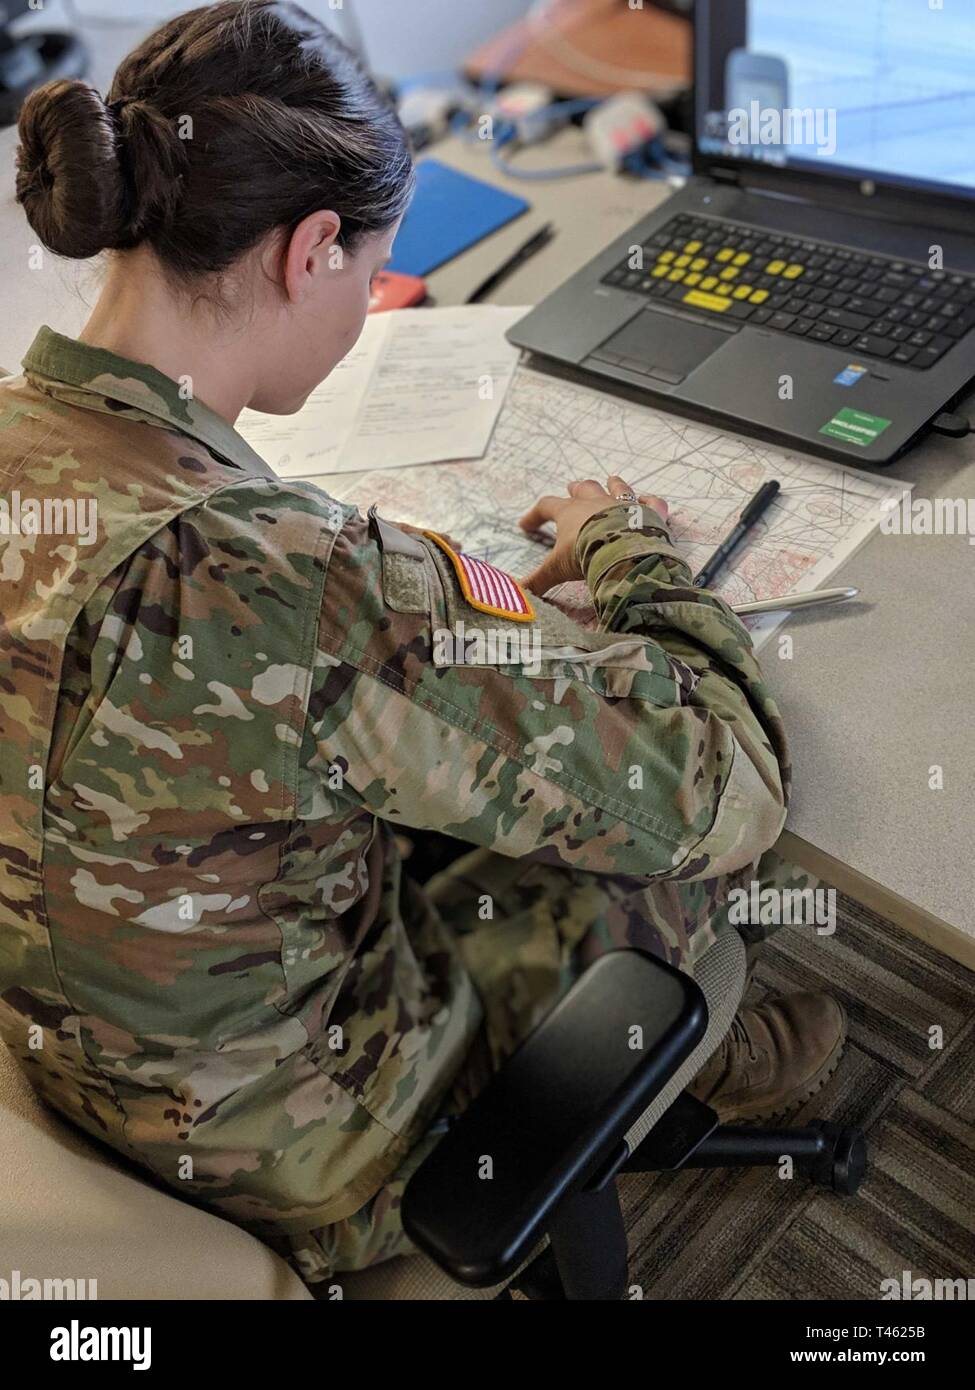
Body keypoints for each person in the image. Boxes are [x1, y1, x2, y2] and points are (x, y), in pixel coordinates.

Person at [0, 0, 845, 1294]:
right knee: (651, 858)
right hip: (306, 1143)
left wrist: (433, 619)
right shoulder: (292, 574)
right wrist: (629, 552)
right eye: (371, 269)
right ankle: (686, 1068)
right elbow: (725, 788)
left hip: (79, 1053)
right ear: (314, 250)